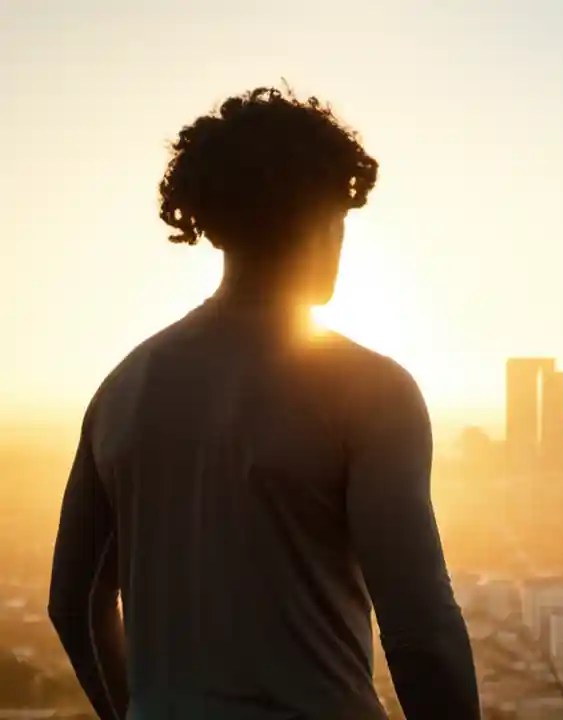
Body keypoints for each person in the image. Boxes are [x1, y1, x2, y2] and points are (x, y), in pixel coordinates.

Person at [48, 87, 480, 720]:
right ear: (321, 221)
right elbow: (421, 631)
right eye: (338, 219)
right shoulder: (370, 389)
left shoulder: (122, 390)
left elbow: (73, 604)